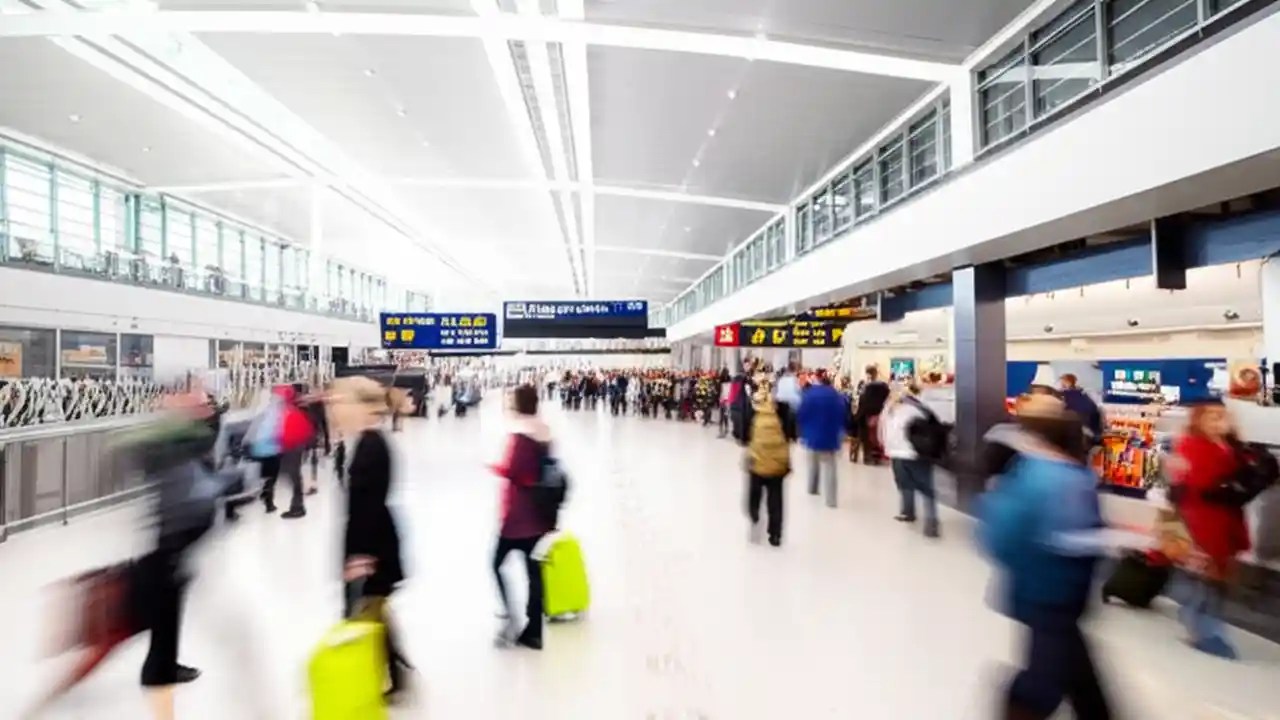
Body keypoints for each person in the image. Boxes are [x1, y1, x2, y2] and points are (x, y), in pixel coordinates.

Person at [975, 394, 1112, 720]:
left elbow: (997, 533)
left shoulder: (1027, 471)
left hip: (1035, 588)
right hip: (1054, 591)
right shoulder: (1065, 478)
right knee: (1048, 677)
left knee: (1074, 667)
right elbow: (1061, 536)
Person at [332, 376, 411, 701]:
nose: (335, 410)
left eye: (340, 403)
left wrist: (360, 557)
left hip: (371, 548)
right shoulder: (369, 442)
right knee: (374, 611)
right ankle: (394, 674)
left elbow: (368, 505)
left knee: (365, 612)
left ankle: (377, 678)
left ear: (359, 407)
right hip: (375, 543)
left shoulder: (371, 446)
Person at [1166, 402, 1253, 660]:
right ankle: (1206, 630)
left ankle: (1200, 622)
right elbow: (1198, 483)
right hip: (1203, 518)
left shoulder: (1228, 445)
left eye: (1221, 416)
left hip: (1223, 518)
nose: (1218, 421)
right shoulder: (1192, 445)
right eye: (1211, 416)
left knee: (1213, 576)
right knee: (1207, 575)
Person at [491, 384, 556, 650]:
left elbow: (515, 471)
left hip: (518, 516)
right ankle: (534, 630)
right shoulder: (544, 432)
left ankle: (511, 616)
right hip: (541, 514)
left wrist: (497, 468)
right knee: (534, 573)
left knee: (495, 563)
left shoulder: (520, 435)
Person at [881, 383, 941, 538]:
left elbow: (884, 432)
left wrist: (886, 448)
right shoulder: (919, 409)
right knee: (921, 486)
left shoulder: (892, 410)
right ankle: (928, 520)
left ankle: (912, 514)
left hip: (903, 453)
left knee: (906, 484)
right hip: (913, 453)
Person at [746, 381, 790, 547]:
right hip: (778, 462)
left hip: (757, 460)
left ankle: (755, 518)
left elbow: (744, 433)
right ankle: (775, 535)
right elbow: (790, 433)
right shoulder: (782, 409)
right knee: (775, 498)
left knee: (754, 495)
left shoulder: (753, 410)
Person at [795, 371, 847, 508]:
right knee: (830, 466)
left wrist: (802, 430)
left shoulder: (809, 395)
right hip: (830, 435)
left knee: (812, 462)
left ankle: (812, 488)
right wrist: (841, 431)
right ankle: (831, 500)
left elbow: (801, 414)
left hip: (812, 434)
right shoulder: (836, 395)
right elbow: (843, 414)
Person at [853, 365, 890, 464]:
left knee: (865, 435)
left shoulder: (866, 387)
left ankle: (867, 456)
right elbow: (887, 397)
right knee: (877, 436)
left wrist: (858, 415)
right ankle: (876, 456)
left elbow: (863, 401)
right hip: (879, 413)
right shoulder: (883, 386)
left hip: (867, 414)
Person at [1058, 374, 1103, 445]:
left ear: (1068, 382)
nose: (1061, 383)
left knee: (1090, 434)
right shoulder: (1079, 390)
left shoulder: (1069, 393)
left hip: (1086, 415)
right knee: (1095, 433)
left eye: (1063, 381)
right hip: (1092, 413)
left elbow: (1069, 406)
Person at [773, 363, 802, 441]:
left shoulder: (780, 379)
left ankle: (784, 433)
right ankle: (794, 434)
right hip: (791, 404)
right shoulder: (794, 379)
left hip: (780, 403)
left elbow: (775, 393)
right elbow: (798, 391)